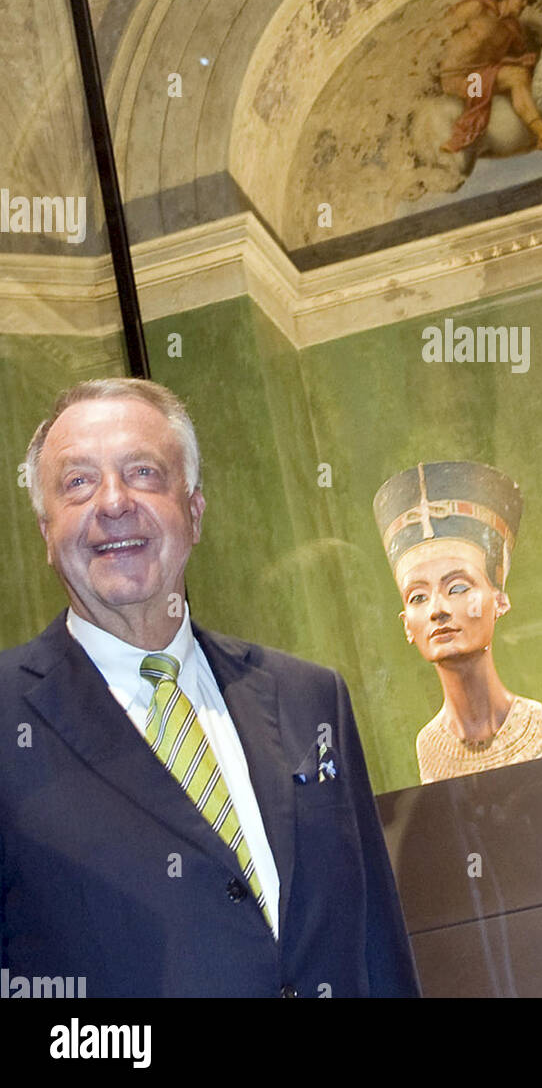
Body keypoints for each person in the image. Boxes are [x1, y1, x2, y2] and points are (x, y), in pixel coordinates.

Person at [0, 378, 419, 998]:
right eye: (78, 482)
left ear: (194, 513)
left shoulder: (310, 701)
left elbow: (376, 947)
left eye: (143, 472)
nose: (113, 502)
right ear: (46, 532)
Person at [373, 460, 542, 784]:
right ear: (405, 625)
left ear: (499, 601)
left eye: (457, 588)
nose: (437, 610)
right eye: (418, 597)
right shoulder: (427, 746)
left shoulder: (539, 719)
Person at [438, 0, 542, 155]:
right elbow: (437, 32)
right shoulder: (477, 8)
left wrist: (518, 60)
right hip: (455, 78)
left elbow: (492, 59)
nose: (524, 5)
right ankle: (463, 134)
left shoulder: (511, 30)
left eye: (527, 1)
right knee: (490, 83)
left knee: (518, 75)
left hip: (478, 76)